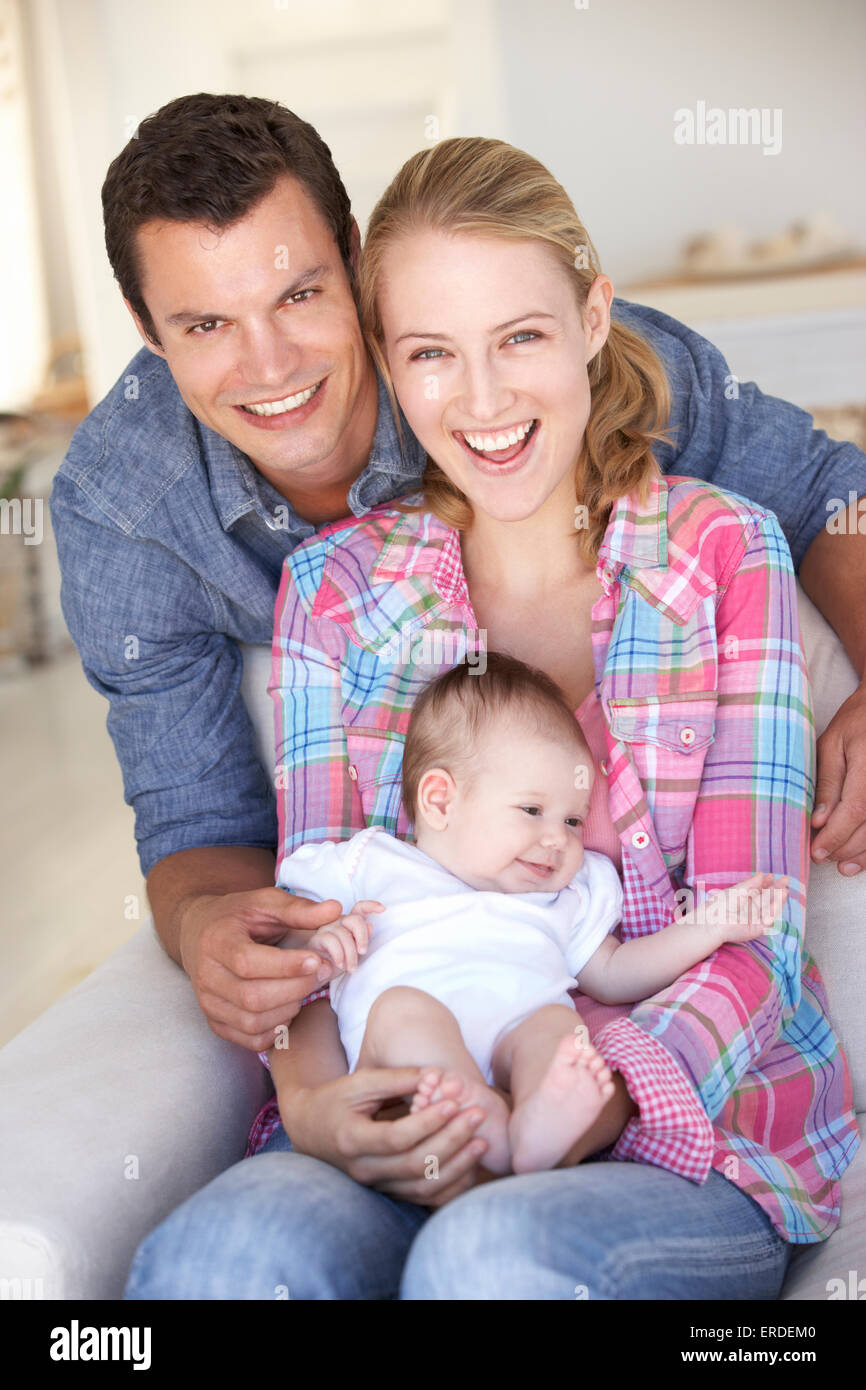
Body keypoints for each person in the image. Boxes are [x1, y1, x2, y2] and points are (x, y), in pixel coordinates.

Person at [124, 134, 859, 1300]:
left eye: (518, 335)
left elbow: (748, 936)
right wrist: (317, 1105)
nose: (480, 400)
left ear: (590, 315)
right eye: (430, 353)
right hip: (407, 1104)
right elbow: (315, 920)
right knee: (227, 1257)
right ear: (387, 364)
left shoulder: (723, 553)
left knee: (487, 1258)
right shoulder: (335, 587)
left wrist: (566, 1097)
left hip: (694, 1133)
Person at [268, 652, 789, 1178]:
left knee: (557, 1028)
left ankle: (536, 1125)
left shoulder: (564, 895)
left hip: (516, 1035)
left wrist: (710, 925)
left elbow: (615, 974)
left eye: (572, 820)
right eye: (532, 810)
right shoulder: (368, 863)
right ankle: (471, 1115)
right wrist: (321, 944)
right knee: (403, 1011)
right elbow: (286, 934)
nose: (557, 839)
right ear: (440, 802)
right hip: (405, 1060)